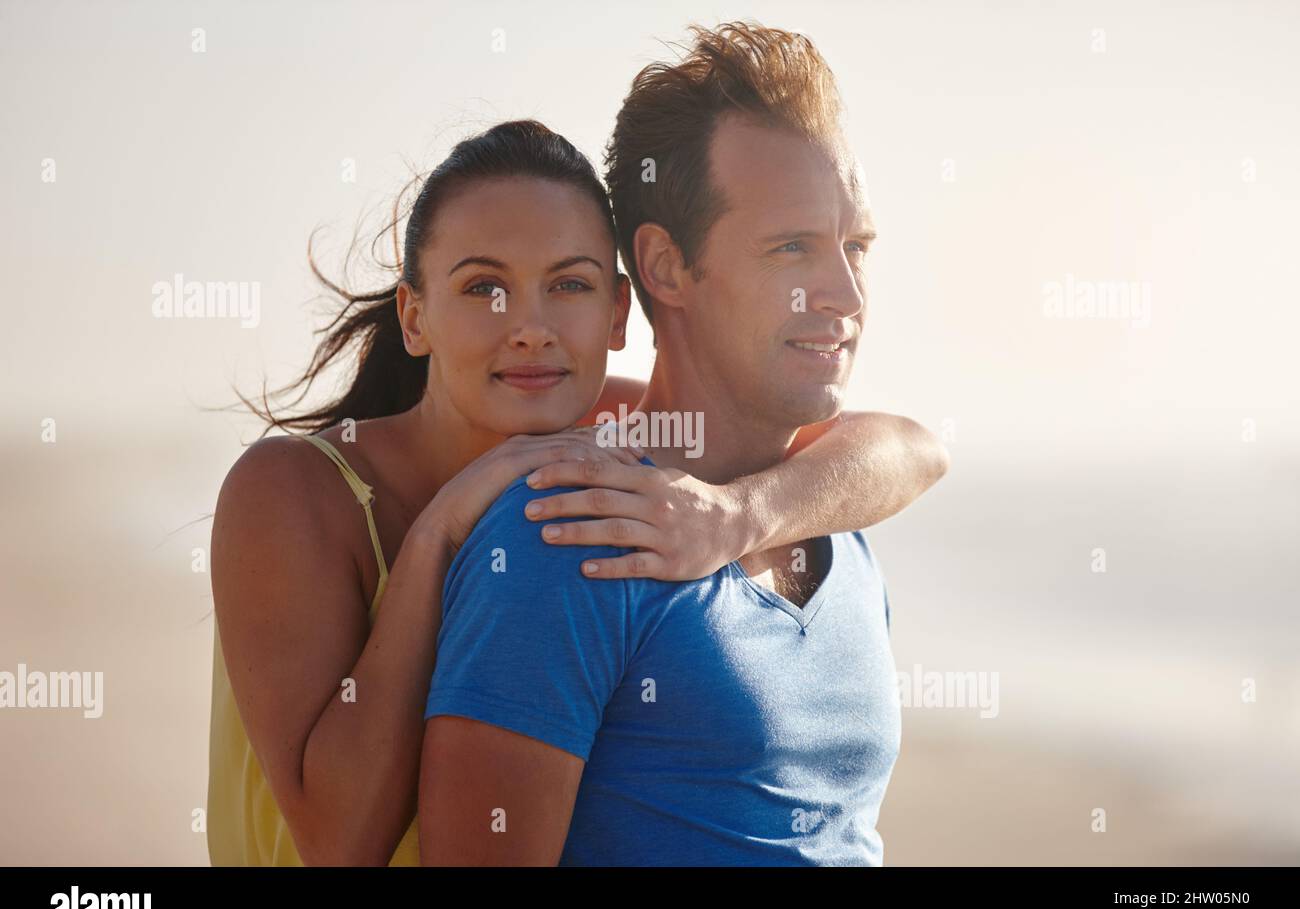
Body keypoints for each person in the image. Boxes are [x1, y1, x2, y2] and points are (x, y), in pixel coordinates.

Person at [208, 115, 945, 865]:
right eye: (484, 287)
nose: (531, 328)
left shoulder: (608, 427)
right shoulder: (292, 490)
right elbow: (337, 842)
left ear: (617, 313)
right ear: (415, 316)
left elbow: (911, 450)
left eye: (569, 285)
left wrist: (736, 517)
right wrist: (437, 534)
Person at [419, 22, 923, 865]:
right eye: (791, 247)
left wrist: (742, 514)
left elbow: (917, 447)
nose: (845, 292)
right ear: (664, 267)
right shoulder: (569, 535)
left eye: (856, 247)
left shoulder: (831, 514)